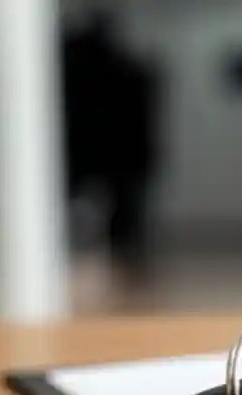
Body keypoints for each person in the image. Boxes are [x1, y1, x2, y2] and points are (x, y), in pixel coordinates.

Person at [61, 11, 160, 269]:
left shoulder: (105, 70)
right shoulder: (123, 71)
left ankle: (123, 258)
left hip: (106, 149)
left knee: (121, 212)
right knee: (119, 212)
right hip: (103, 148)